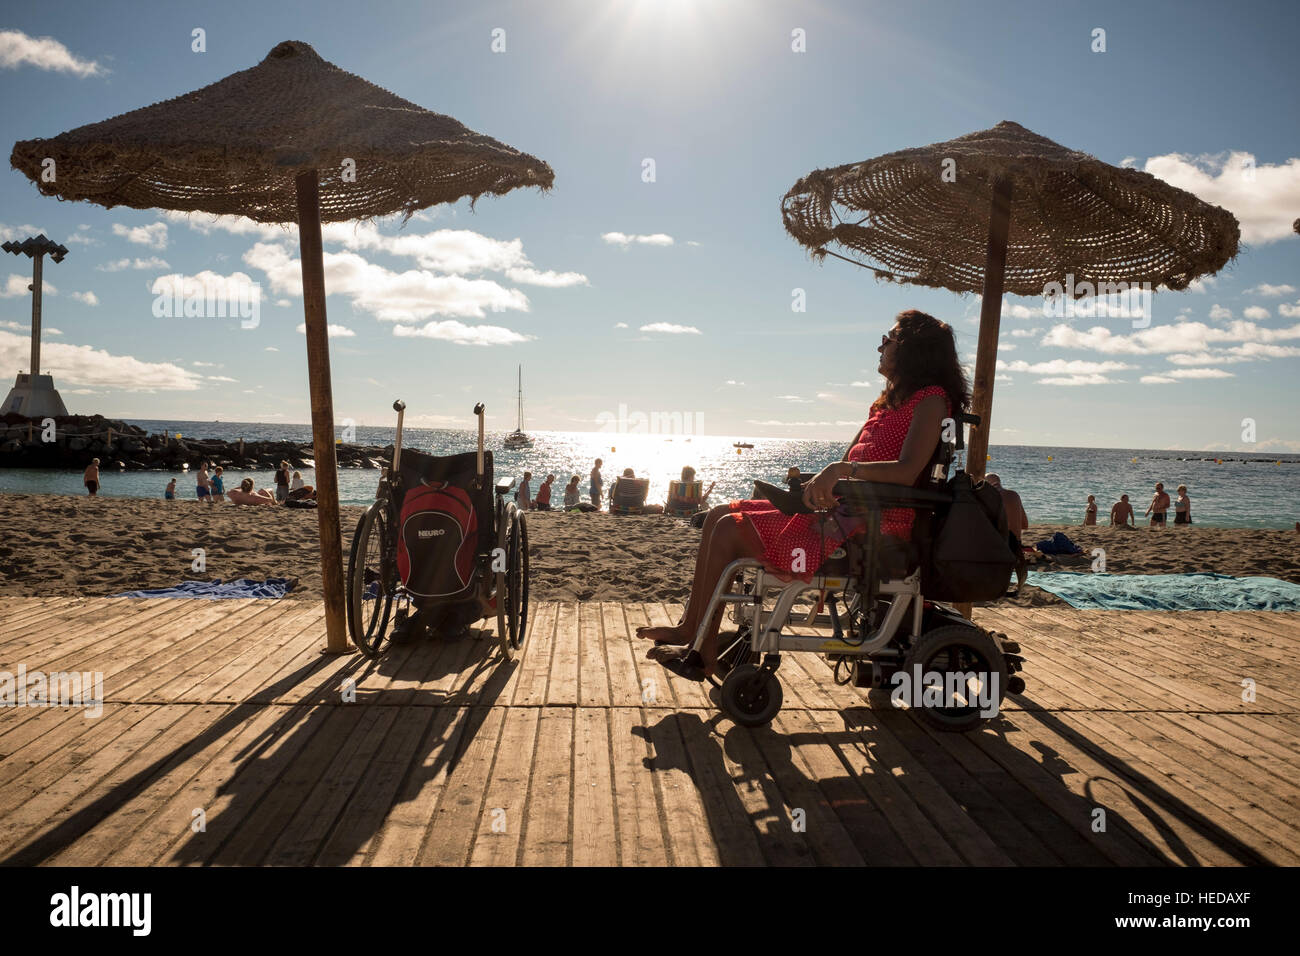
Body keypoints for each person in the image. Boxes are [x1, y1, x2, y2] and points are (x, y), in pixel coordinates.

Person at [637, 309, 965, 680]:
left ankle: (705, 647)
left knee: (730, 529)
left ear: (912, 349)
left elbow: (906, 472)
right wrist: (818, 483)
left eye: (887, 340)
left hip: (879, 524)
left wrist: (840, 472)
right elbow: (848, 463)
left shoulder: (932, 400)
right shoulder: (885, 404)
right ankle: (691, 627)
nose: (880, 346)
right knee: (717, 514)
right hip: (846, 511)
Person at [986, 473, 1029, 592]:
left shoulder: (990, 497)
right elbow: (1025, 525)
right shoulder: (1014, 495)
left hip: (999, 549)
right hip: (1015, 550)